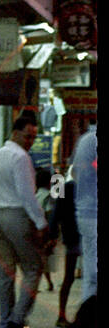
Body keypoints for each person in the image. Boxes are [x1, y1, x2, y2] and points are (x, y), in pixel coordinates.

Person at [0, 114, 52, 328]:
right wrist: (41, 223)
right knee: (33, 268)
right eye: (28, 136)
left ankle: (6, 326)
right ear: (16, 132)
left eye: (33, 137)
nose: (30, 141)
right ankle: (17, 318)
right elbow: (27, 195)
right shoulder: (20, 157)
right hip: (16, 216)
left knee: (5, 273)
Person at [69, 122, 97, 305]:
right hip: (94, 212)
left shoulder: (84, 140)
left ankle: (88, 316)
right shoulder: (92, 141)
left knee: (90, 272)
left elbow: (72, 172)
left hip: (84, 212)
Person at [53, 169, 80, 328]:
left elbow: (57, 210)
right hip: (77, 235)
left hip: (72, 235)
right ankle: (62, 315)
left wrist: (53, 232)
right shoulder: (63, 183)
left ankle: (62, 314)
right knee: (69, 277)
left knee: (68, 277)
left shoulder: (63, 182)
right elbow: (57, 210)